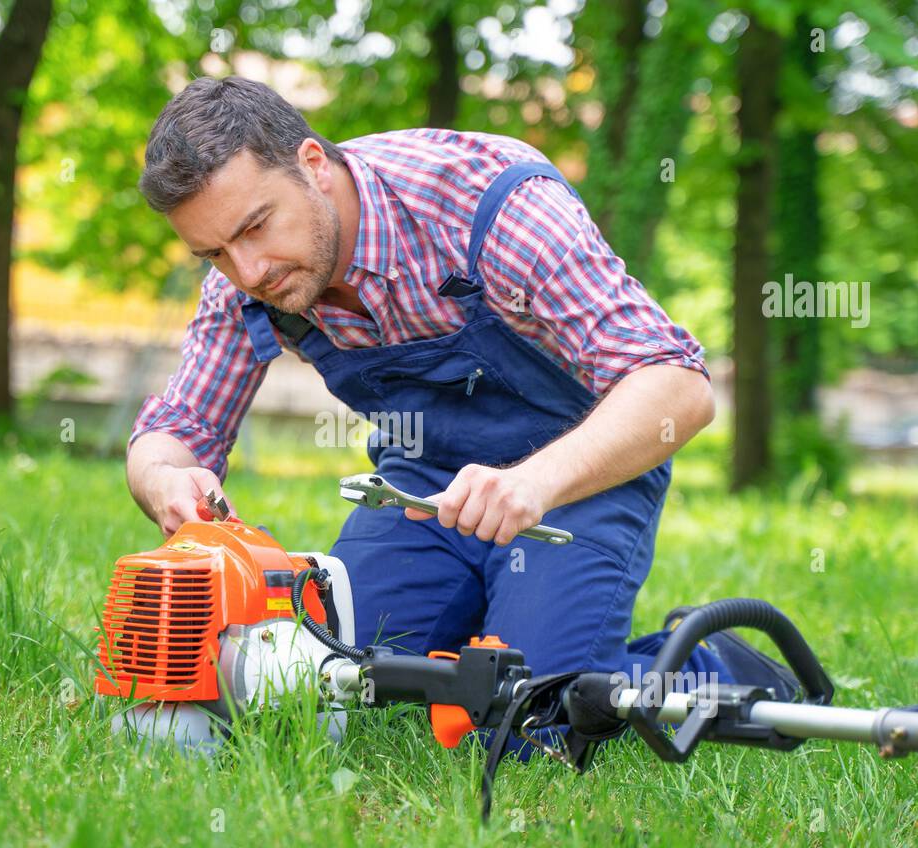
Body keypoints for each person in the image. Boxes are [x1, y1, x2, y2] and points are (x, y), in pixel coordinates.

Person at [126, 75, 799, 720]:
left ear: (313, 164)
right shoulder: (251, 278)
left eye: (255, 228)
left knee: (531, 715)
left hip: (573, 482)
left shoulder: (492, 204)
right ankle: (484, 630)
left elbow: (677, 385)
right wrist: (165, 479)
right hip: (425, 488)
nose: (247, 270)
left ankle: (716, 671)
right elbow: (180, 423)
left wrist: (533, 482)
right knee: (339, 683)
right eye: (214, 253)